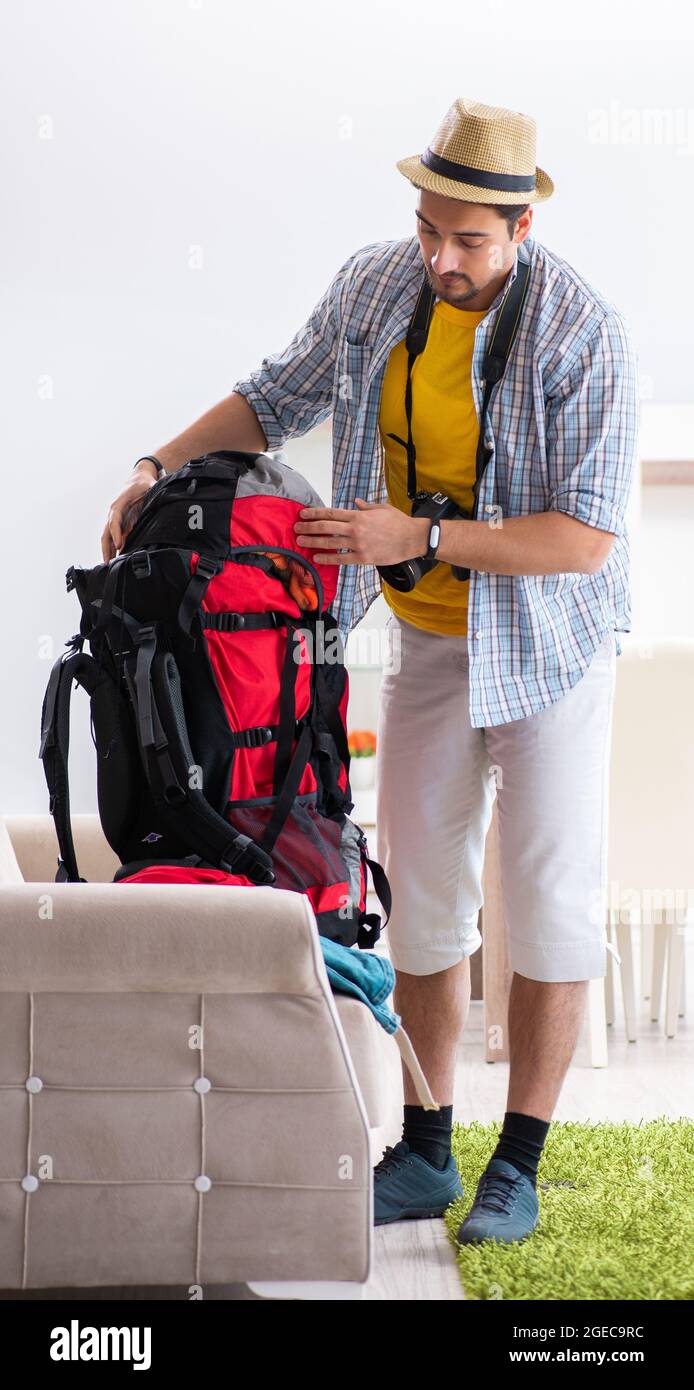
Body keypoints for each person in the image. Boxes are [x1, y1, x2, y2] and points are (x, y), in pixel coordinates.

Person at [102, 97, 639, 1245]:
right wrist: (156, 463)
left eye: (468, 241)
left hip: (548, 642)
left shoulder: (582, 332)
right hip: (426, 639)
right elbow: (275, 393)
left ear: (521, 229)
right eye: (427, 229)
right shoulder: (374, 284)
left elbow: (585, 537)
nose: (440, 259)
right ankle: (430, 1144)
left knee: (547, 903)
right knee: (422, 892)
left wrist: (423, 537)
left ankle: (521, 1160)